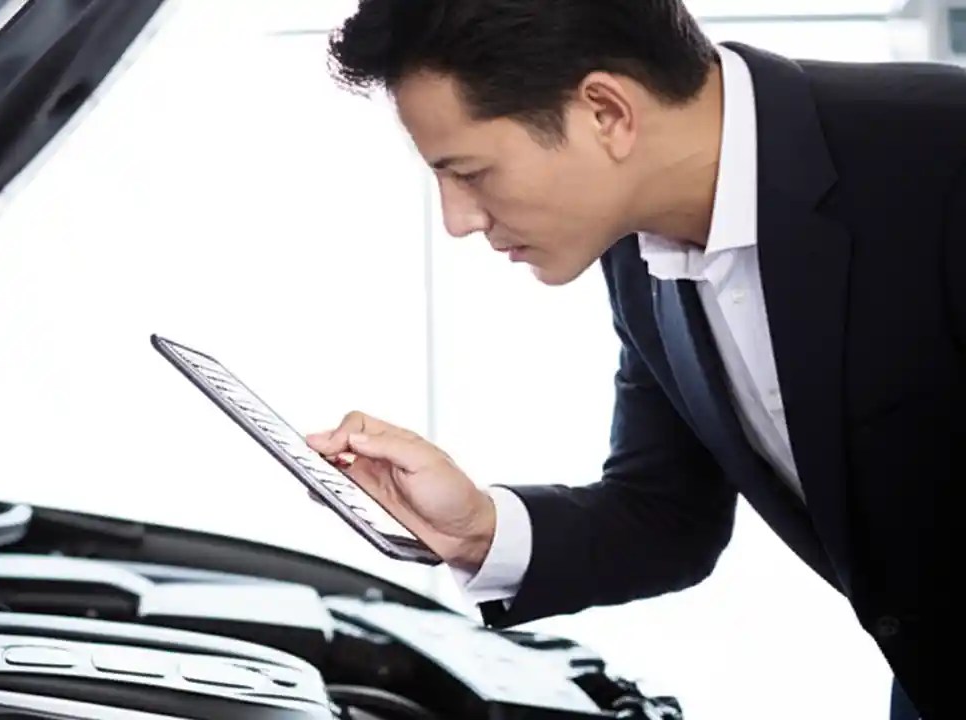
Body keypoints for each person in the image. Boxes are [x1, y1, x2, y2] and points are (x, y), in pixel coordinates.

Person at [305, 2, 956, 719]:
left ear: (607, 113)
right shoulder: (637, 247)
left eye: (471, 172)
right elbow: (669, 517)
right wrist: (478, 527)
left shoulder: (940, 154)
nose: (459, 220)